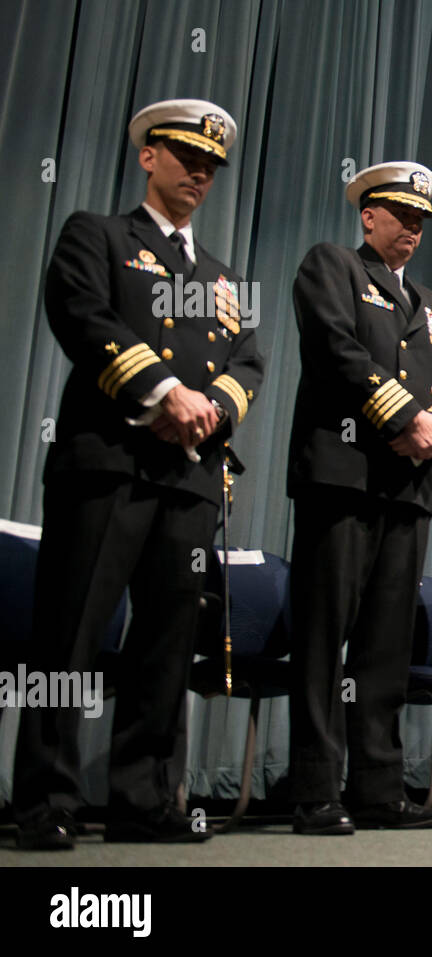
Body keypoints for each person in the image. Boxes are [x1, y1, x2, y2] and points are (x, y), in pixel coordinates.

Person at [14, 98, 264, 848]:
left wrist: (211, 408)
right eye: (187, 156)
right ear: (148, 156)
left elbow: (250, 361)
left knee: (164, 642)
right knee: (72, 634)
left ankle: (145, 798)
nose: (200, 172)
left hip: (188, 477)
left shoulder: (225, 278)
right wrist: (162, 391)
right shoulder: (97, 234)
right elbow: (82, 313)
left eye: (211, 165)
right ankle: (47, 799)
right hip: (109, 465)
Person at [286, 162, 432, 834]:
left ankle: (377, 788)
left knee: (386, 649)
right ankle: (313, 790)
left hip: (407, 490)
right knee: (321, 636)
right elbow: (336, 347)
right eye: (402, 217)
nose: (413, 231)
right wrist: (404, 418)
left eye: (422, 221)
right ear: (369, 215)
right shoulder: (332, 265)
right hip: (342, 477)